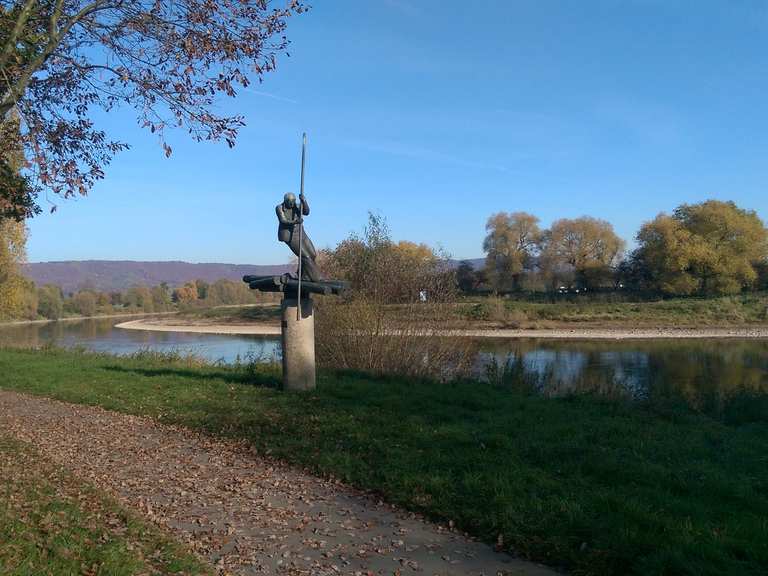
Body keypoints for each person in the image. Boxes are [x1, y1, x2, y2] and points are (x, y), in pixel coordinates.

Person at [276, 192, 323, 282]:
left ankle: (303, 275)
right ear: (285, 201)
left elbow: (306, 212)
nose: (292, 204)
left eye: (293, 202)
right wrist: (295, 221)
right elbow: (283, 220)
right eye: (290, 202)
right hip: (290, 236)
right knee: (306, 256)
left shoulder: (297, 206)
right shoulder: (279, 208)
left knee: (313, 254)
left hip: (301, 233)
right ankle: (316, 277)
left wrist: (304, 201)